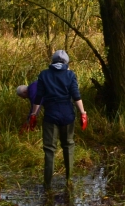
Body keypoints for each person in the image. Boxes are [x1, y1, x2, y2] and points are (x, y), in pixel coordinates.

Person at [27, 50, 87, 188]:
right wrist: (83, 113)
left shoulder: (44, 74)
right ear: (66, 62)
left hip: (51, 115)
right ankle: (69, 180)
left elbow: (39, 97)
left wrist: (34, 114)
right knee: (68, 146)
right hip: (68, 115)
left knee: (49, 149)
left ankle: (47, 184)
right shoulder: (70, 74)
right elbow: (76, 96)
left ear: (53, 61)